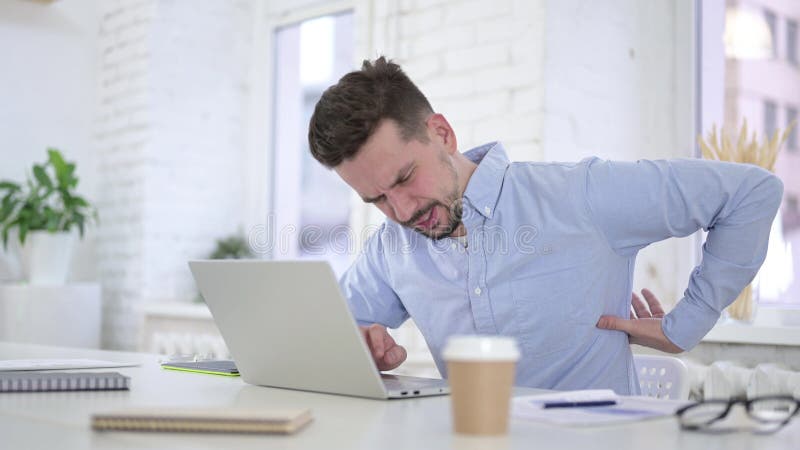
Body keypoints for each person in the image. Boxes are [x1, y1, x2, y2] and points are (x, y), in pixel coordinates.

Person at [306, 56, 783, 394]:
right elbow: (332, 330)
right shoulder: (393, 247)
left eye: (405, 178)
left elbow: (751, 193)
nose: (402, 211)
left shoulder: (582, 195)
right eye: (377, 200)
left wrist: (689, 322)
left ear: (442, 134)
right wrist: (359, 350)